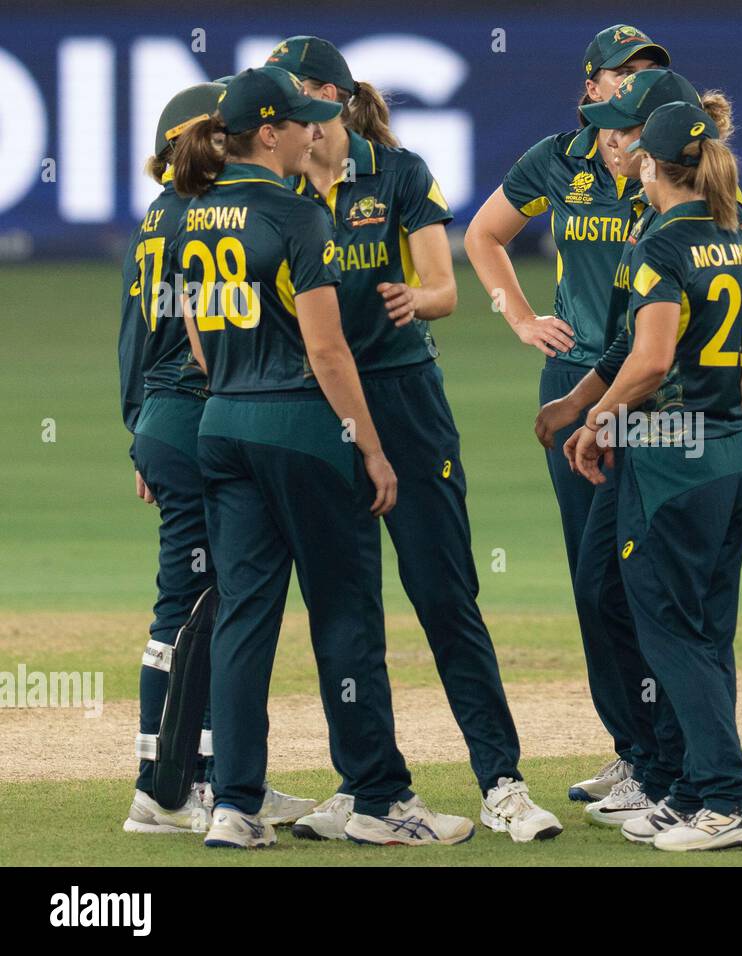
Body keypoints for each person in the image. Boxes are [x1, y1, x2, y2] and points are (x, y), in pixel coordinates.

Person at [263, 36, 560, 844]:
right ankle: (370, 789)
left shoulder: (397, 173)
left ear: (325, 96)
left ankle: (502, 782)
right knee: (341, 608)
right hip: (315, 407)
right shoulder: (273, 182)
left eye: (288, 94)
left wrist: (413, 299)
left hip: (401, 397)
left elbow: (443, 289)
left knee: (442, 594)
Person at [172, 66, 472, 849]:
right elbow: (328, 348)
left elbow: (200, 341)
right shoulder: (301, 218)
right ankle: (378, 798)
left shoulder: (193, 216)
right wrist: (371, 449)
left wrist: (240, 382)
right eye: (302, 121)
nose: (316, 130)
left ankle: (234, 804)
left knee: (245, 617)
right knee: (345, 614)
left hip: (224, 427)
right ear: (267, 133)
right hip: (303, 432)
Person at [535, 69, 742, 831]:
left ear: (648, 153)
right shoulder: (734, 233)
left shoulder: (661, 240)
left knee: (671, 625)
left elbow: (653, 357)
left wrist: (602, 419)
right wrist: (719, 400)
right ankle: (686, 780)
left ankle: (724, 793)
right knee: (662, 611)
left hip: (667, 455)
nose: (609, 138)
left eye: (623, 128)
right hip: (722, 453)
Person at [465, 25, 671, 803]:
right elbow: (484, 235)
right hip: (572, 382)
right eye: (621, 75)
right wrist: (519, 317)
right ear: (590, 86)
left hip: (647, 388)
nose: (633, 87)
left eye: (646, 74)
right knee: (594, 580)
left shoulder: (678, 161)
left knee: (636, 576)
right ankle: (632, 746)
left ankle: (665, 756)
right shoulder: (558, 158)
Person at [118, 81, 313, 835]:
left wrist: (140, 428)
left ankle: (207, 781)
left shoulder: (160, 218)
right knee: (200, 607)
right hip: (199, 420)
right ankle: (174, 789)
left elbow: (135, 341)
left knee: (202, 603)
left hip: (169, 423)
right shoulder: (193, 219)